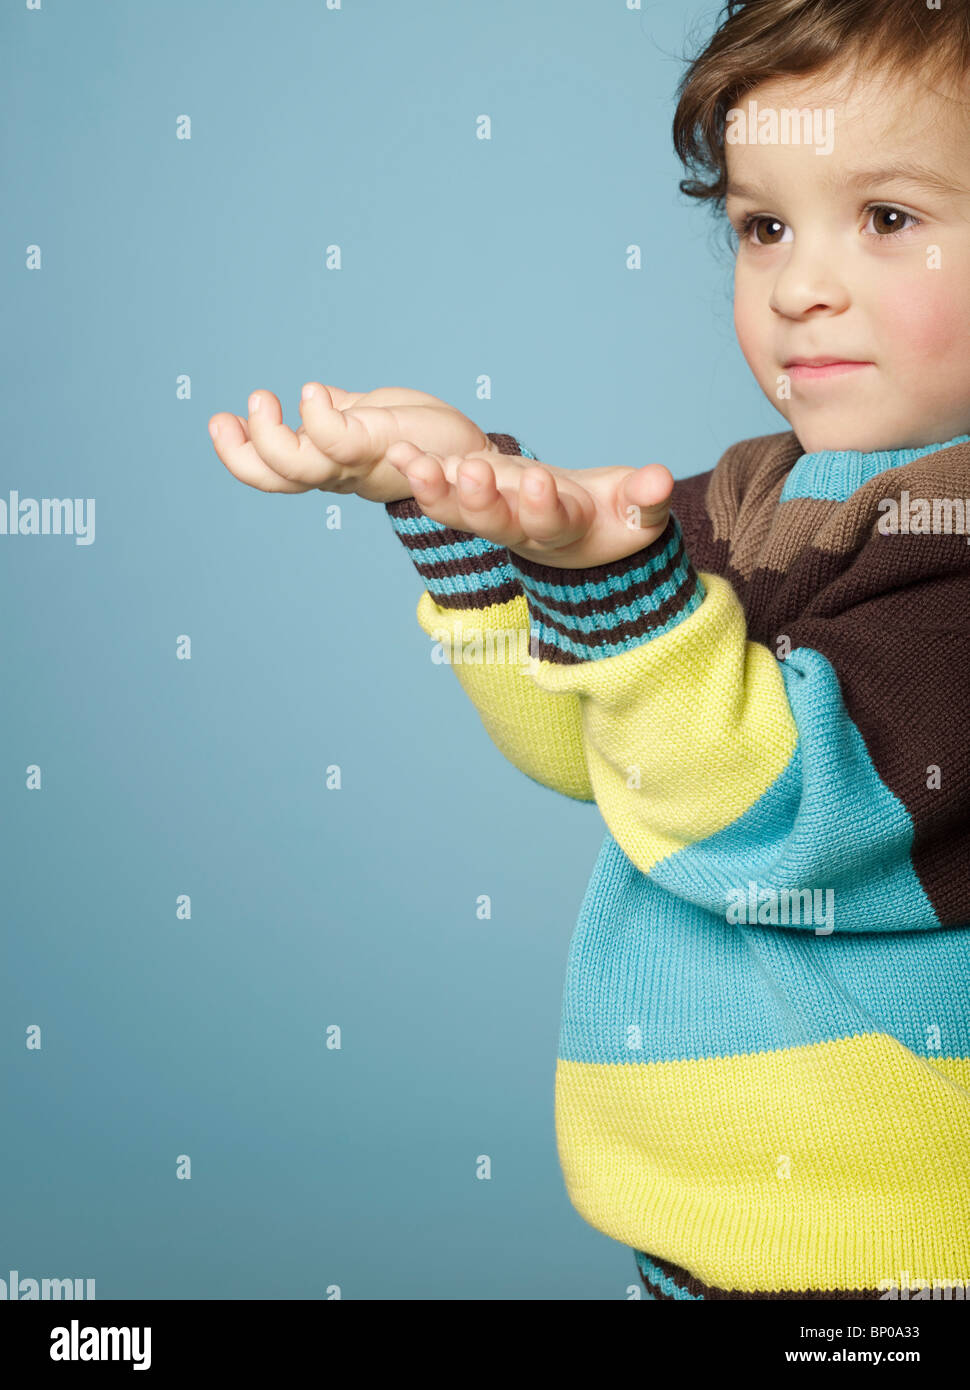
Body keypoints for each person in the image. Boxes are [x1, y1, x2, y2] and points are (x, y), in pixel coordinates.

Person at [208, 0, 970, 1300]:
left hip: (885, 1248)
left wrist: (621, 593)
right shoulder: (742, 498)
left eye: (886, 219)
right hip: (695, 1222)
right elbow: (593, 747)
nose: (797, 284)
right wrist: (455, 509)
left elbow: (781, 818)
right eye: (761, 226)